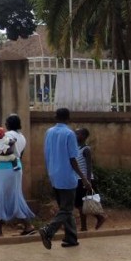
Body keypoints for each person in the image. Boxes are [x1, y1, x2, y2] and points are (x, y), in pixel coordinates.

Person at [39, 107, 92, 249]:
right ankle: (48, 230)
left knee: (64, 207)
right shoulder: (69, 134)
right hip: (67, 176)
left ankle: (71, 238)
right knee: (67, 209)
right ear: (68, 118)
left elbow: (46, 153)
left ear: (55, 117)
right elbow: (73, 159)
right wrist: (84, 178)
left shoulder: (49, 132)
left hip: (54, 174)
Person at [0, 114, 35, 237]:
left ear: (8, 124)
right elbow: (20, 154)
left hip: (4, 168)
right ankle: (28, 225)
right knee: (14, 196)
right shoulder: (22, 137)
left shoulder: (7, 136)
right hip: (16, 167)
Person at [75, 128, 106, 231]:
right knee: (81, 204)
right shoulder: (77, 149)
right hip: (79, 179)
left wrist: (87, 182)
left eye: (77, 133)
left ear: (83, 136)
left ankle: (97, 219)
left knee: (87, 203)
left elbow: (89, 167)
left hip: (85, 180)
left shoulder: (86, 149)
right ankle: (88, 224)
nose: (75, 135)